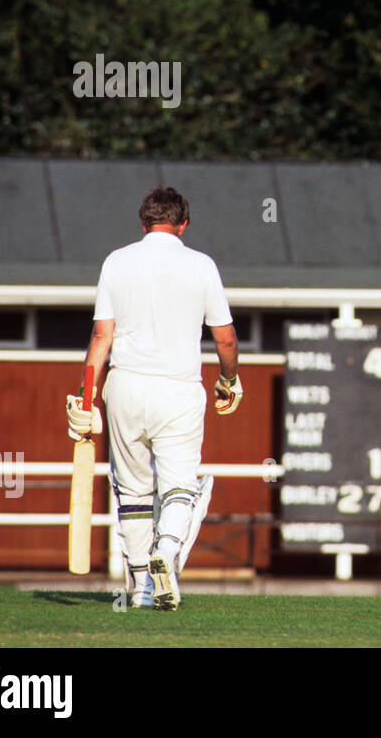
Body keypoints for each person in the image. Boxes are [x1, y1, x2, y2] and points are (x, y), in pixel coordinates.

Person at [66, 187, 242, 610]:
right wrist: (229, 380)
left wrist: (85, 396)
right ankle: (167, 552)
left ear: (143, 222)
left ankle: (142, 585)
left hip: (125, 386)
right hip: (179, 388)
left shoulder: (117, 261)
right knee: (181, 486)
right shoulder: (201, 265)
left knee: (133, 493)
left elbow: (101, 337)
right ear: (183, 224)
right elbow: (226, 338)